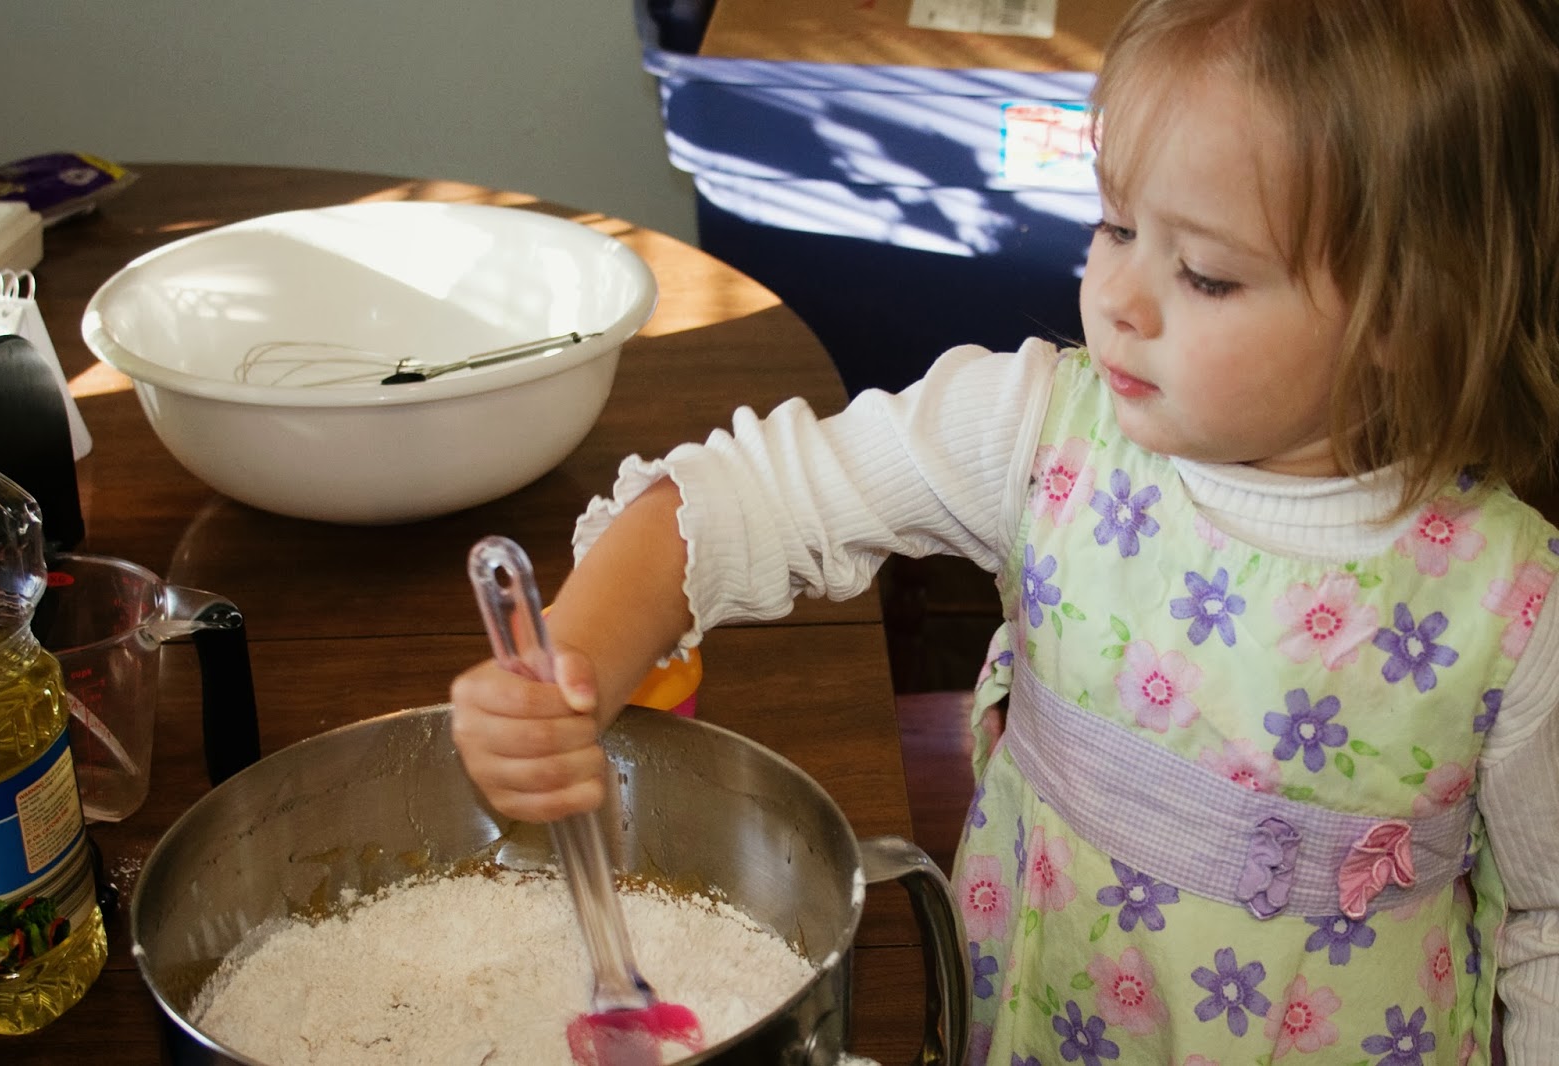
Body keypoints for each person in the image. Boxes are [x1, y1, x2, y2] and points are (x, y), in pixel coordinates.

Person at [449, 0, 1559, 1060]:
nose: (1119, 294)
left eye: (1206, 273)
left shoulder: (1514, 605)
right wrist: (571, 667)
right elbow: (735, 501)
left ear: (1404, 314)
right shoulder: (1038, 429)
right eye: (1115, 222)